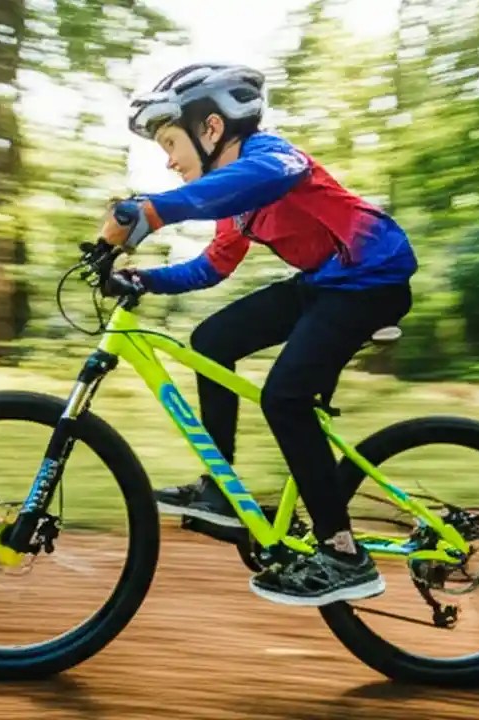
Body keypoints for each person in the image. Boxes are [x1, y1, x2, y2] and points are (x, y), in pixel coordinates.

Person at [99, 62, 417, 607]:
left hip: (372, 281)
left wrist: (154, 211)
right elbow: (212, 267)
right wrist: (141, 278)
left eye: (171, 142)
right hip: (326, 284)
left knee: (284, 399)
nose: (170, 161)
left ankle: (344, 556)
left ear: (213, 129)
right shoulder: (237, 204)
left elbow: (262, 179)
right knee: (212, 342)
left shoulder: (272, 157)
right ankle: (221, 489)